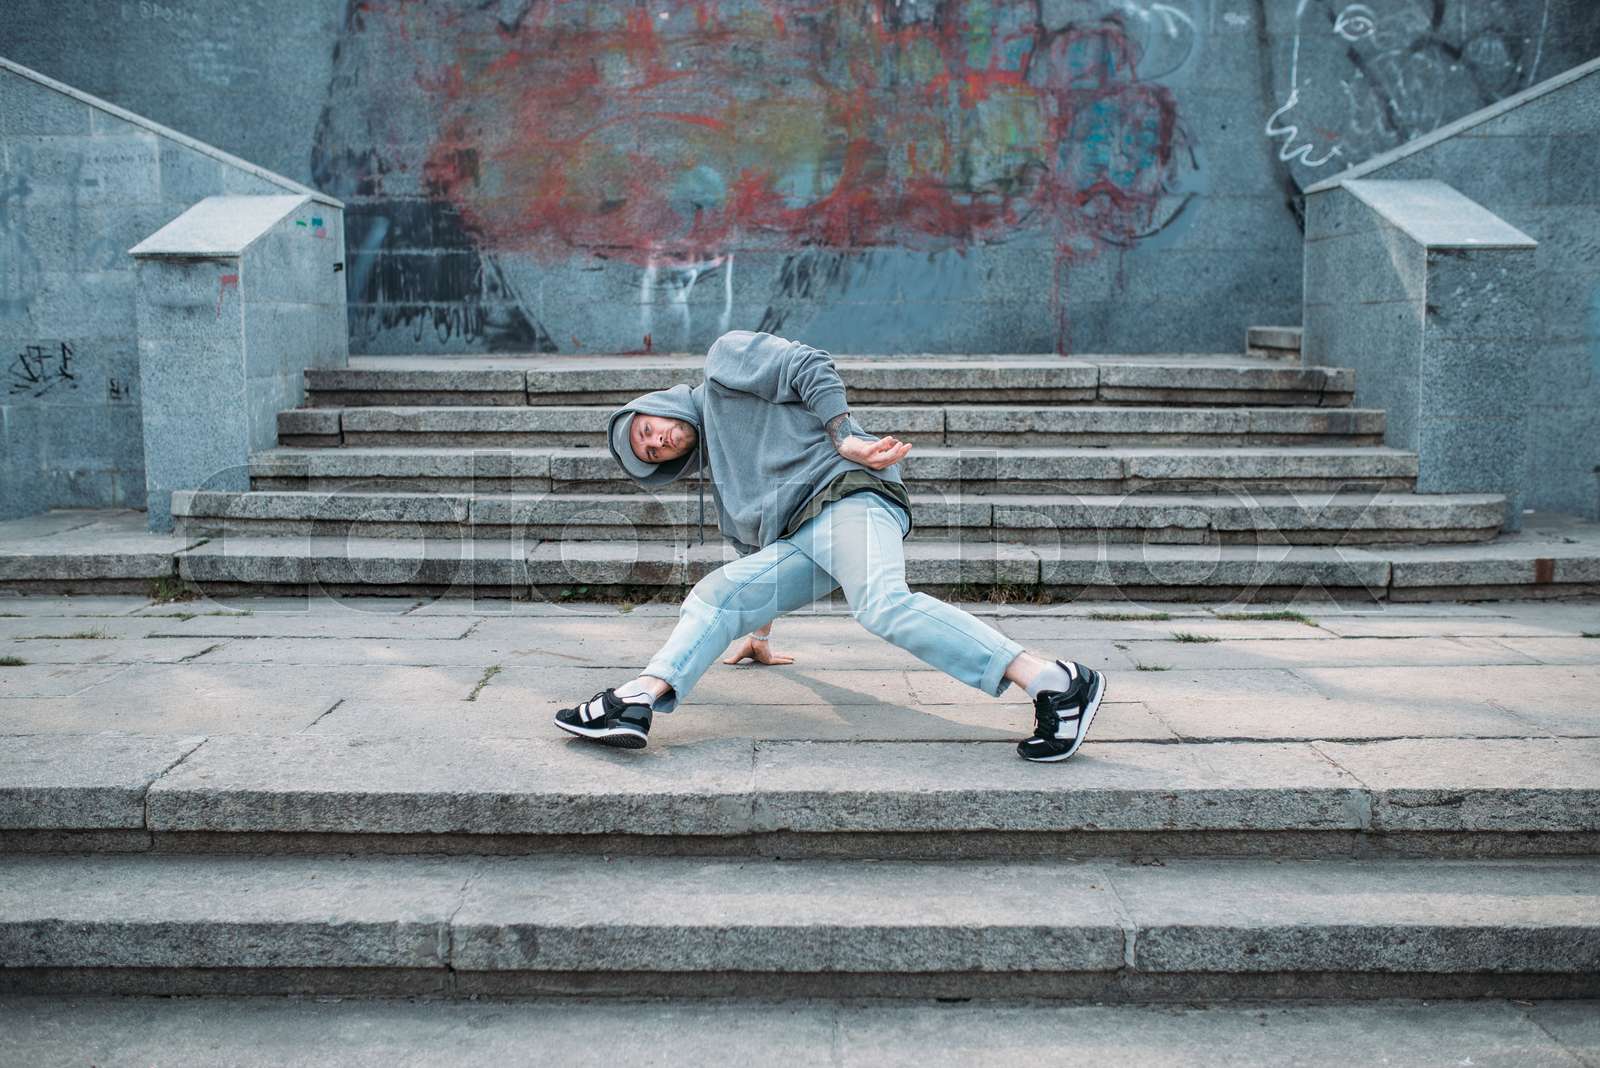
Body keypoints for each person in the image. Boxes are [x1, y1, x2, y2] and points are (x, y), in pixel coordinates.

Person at [553, 329, 1106, 763]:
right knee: (716, 594)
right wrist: (760, 634)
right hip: (804, 536)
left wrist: (846, 436)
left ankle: (1058, 683)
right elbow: (757, 559)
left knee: (883, 604)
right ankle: (637, 701)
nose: (658, 442)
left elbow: (807, 363)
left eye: (648, 429)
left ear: (658, 405)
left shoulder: (723, 363)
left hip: (847, 495)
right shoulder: (724, 476)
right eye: (650, 452)